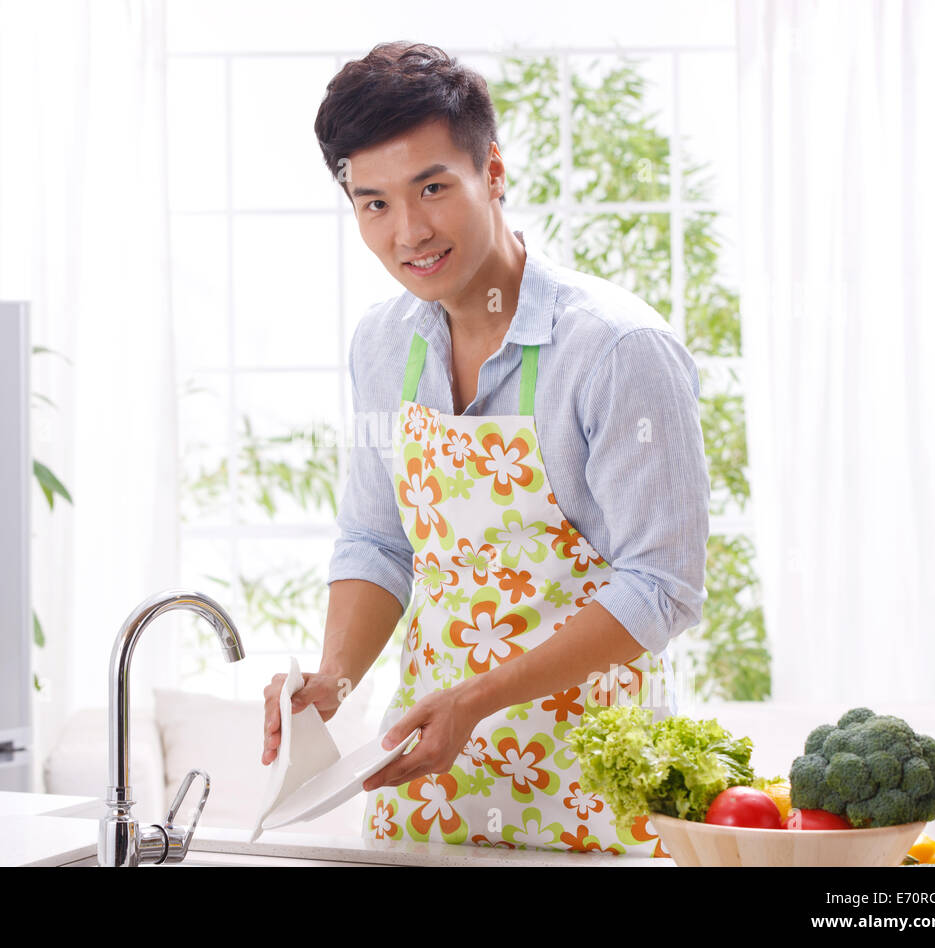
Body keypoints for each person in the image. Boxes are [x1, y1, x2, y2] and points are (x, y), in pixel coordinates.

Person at [260, 41, 709, 855]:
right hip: (427, 786)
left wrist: (478, 698)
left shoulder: (615, 348)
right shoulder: (382, 345)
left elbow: (663, 585)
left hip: (594, 790)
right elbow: (376, 540)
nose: (411, 232)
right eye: (375, 204)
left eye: (433, 188)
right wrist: (333, 681)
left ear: (492, 171)